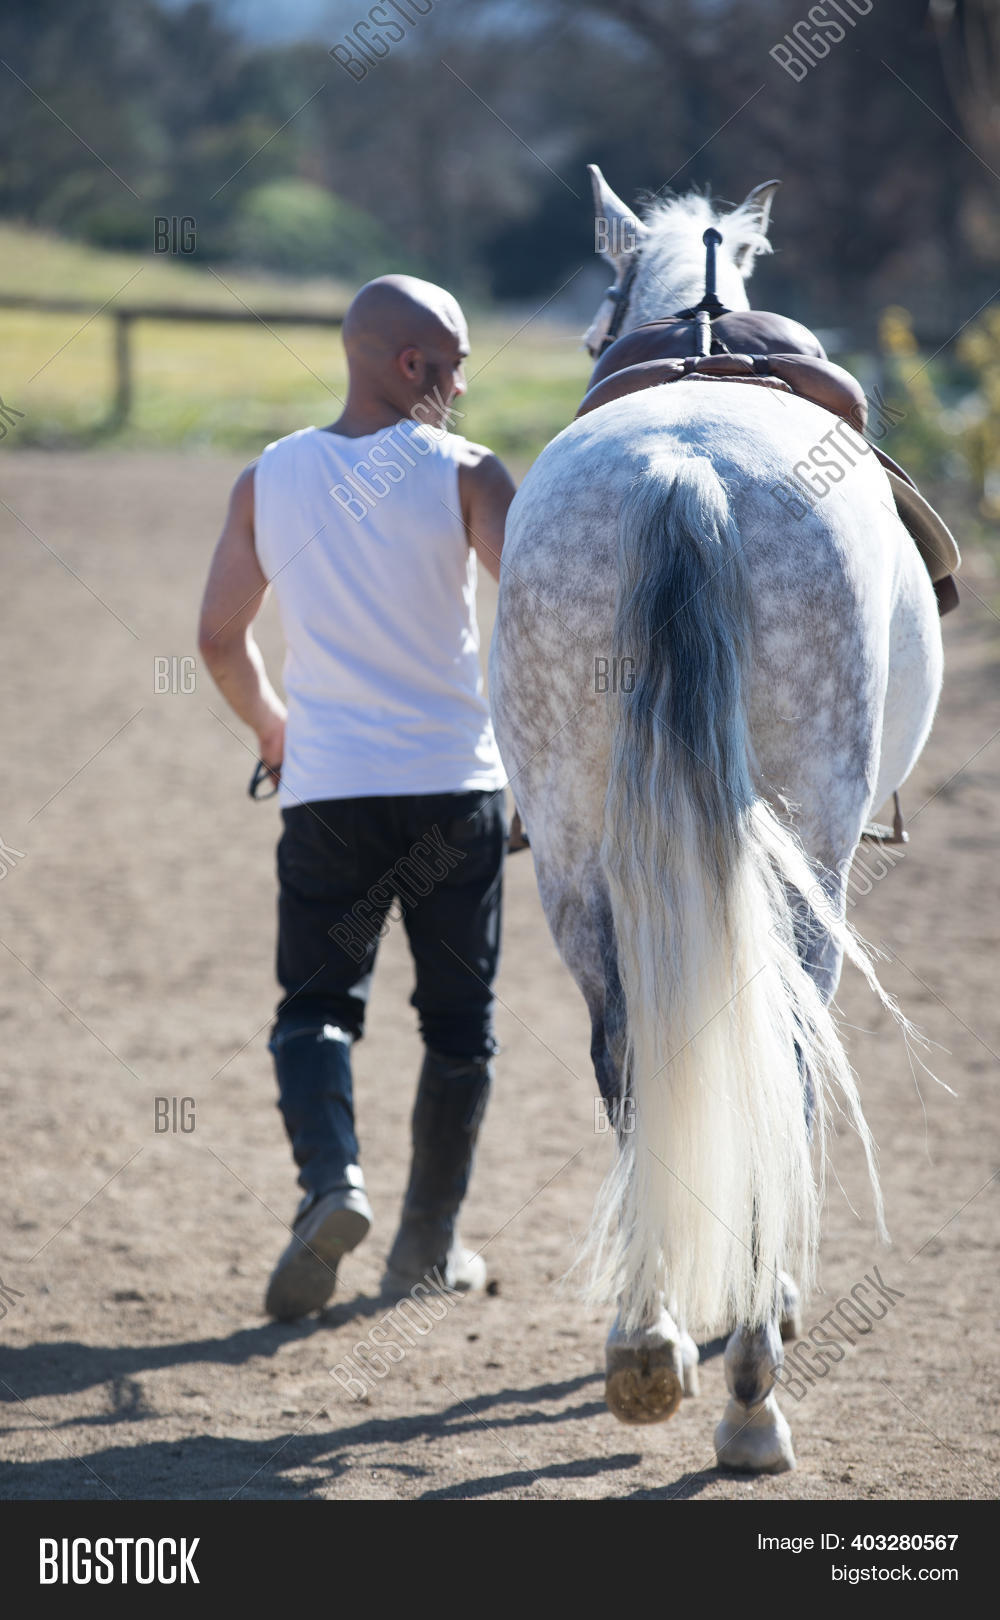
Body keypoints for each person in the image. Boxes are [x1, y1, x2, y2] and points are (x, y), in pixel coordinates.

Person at [197, 274, 516, 1320]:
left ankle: (332, 1186)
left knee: (315, 1008)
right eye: (454, 362)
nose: (464, 383)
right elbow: (539, 621)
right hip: (452, 789)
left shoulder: (269, 477)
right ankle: (426, 1246)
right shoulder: (470, 474)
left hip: (328, 789)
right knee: (459, 1026)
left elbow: (217, 637)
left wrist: (272, 727)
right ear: (411, 365)